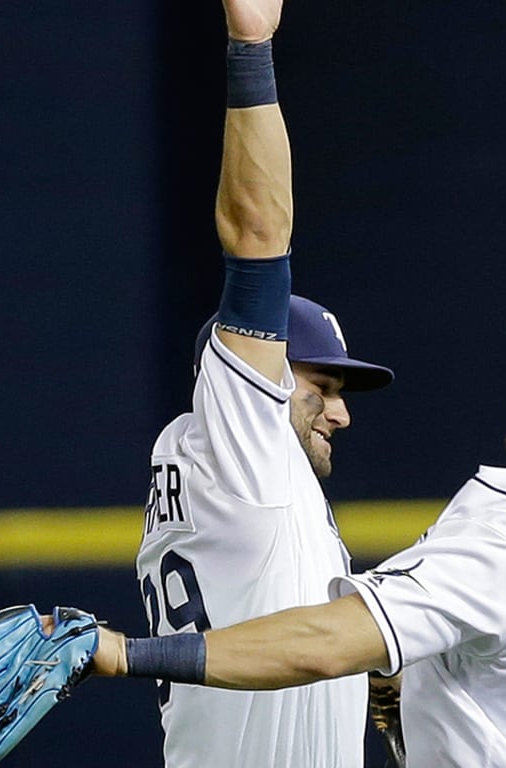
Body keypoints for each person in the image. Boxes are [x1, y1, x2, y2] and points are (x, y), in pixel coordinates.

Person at [95, 1, 506, 765]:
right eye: (323, 385)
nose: (342, 414)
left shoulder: (500, 552)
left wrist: (124, 653)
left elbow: (326, 644)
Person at [134, 0, 393, 763]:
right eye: (324, 387)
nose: (341, 414)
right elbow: (257, 235)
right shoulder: (246, 451)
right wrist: (252, 46)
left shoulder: (202, 462)